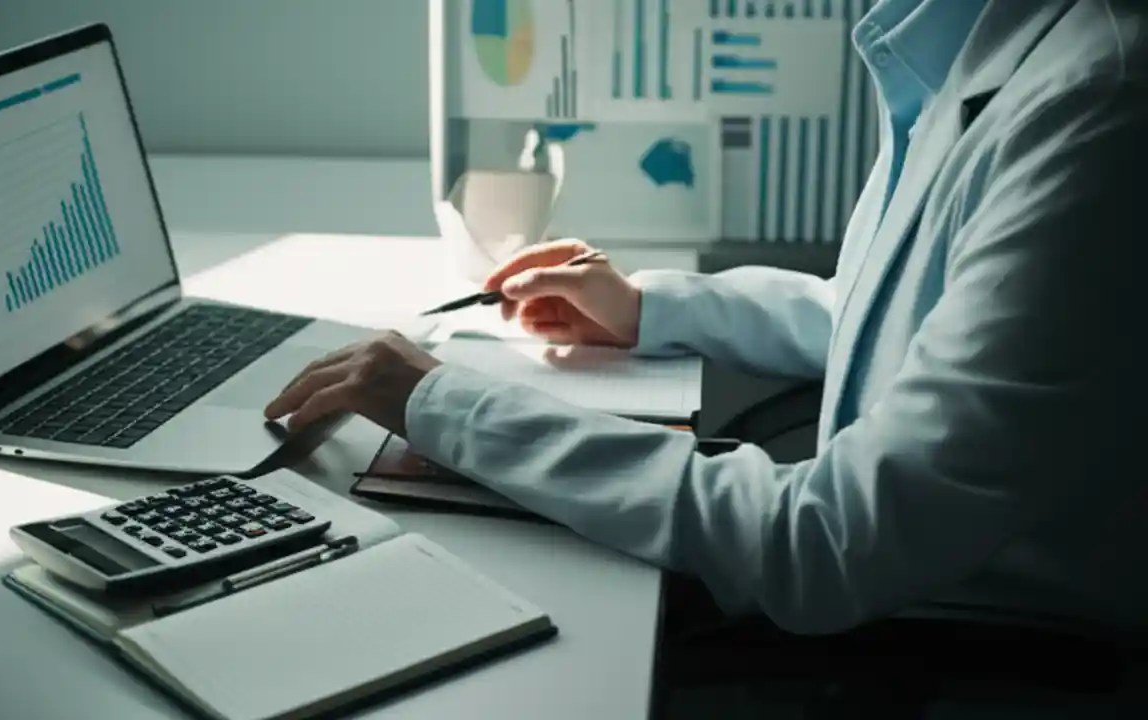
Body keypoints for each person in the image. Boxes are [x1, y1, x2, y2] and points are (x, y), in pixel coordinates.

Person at [266, 0, 1147, 634]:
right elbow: (903, 323)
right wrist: (652, 307)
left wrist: (448, 404)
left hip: (970, 649)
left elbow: (827, 541)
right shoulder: (959, 40)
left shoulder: (1094, 102)